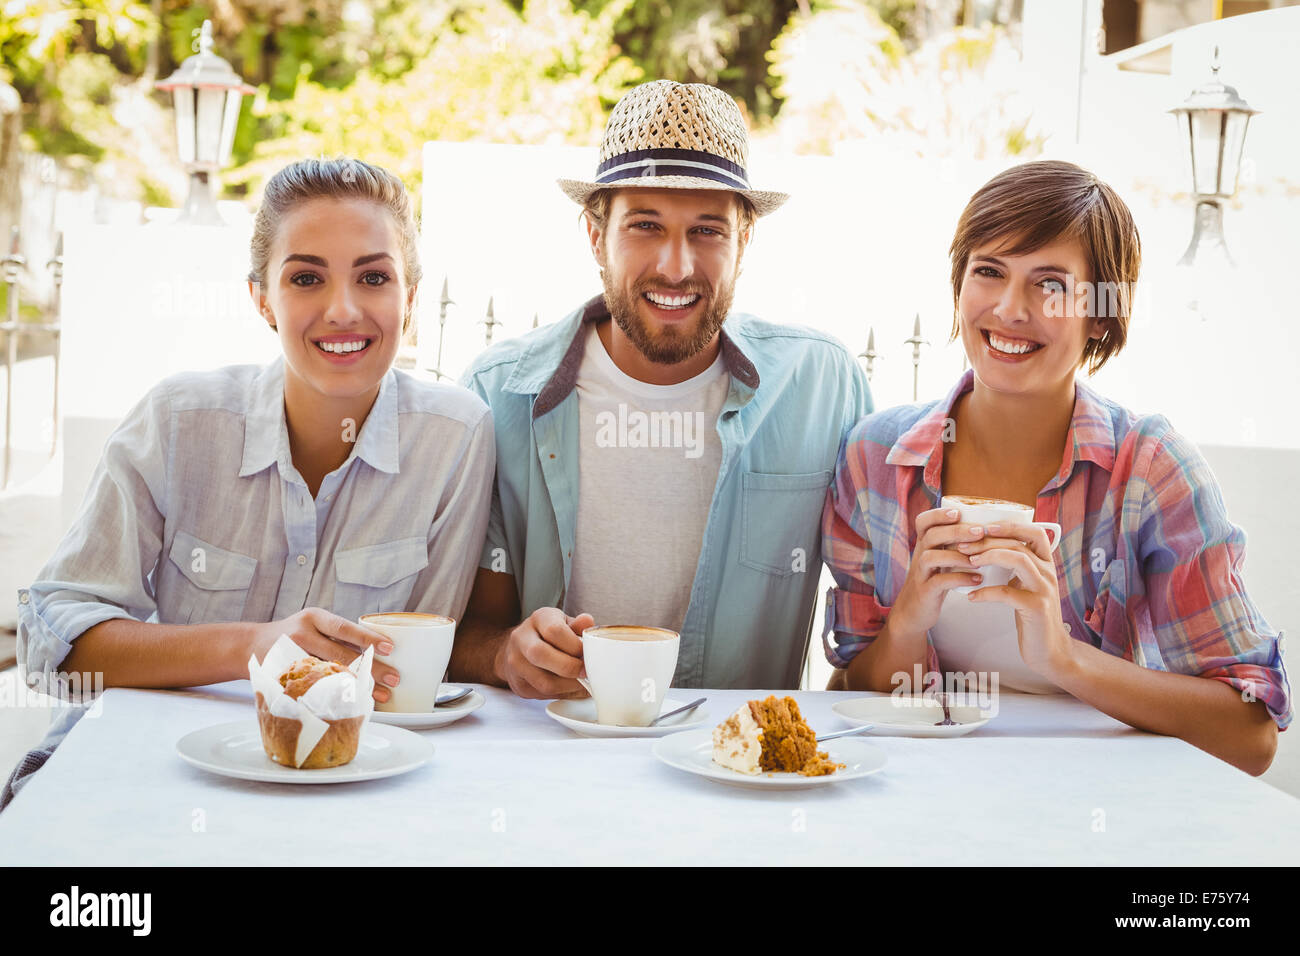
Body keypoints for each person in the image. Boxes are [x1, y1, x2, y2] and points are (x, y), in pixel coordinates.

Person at [821, 159, 1291, 775]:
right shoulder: (875, 458)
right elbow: (852, 691)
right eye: (988, 272)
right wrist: (906, 624)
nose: (1010, 309)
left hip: (1090, 807)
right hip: (920, 804)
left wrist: (1062, 658)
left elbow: (1251, 736)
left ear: (1101, 313)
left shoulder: (1149, 470)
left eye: (1050, 284)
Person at [16, 157, 494, 708]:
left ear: (410, 299)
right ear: (262, 299)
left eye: (373, 277)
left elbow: (413, 679)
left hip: (354, 771)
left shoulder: (456, 438)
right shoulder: (179, 421)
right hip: (165, 760)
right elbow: (52, 644)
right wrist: (254, 645)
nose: (342, 309)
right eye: (306, 278)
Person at [449, 80, 872, 698]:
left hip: (737, 769)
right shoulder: (498, 394)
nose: (676, 266)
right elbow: (451, 632)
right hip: (557, 759)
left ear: (745, 241)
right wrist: (505, 654)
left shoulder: (821, 386)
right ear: (596, 236)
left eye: (707, 231)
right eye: (645, 225)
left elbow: (876, 613)